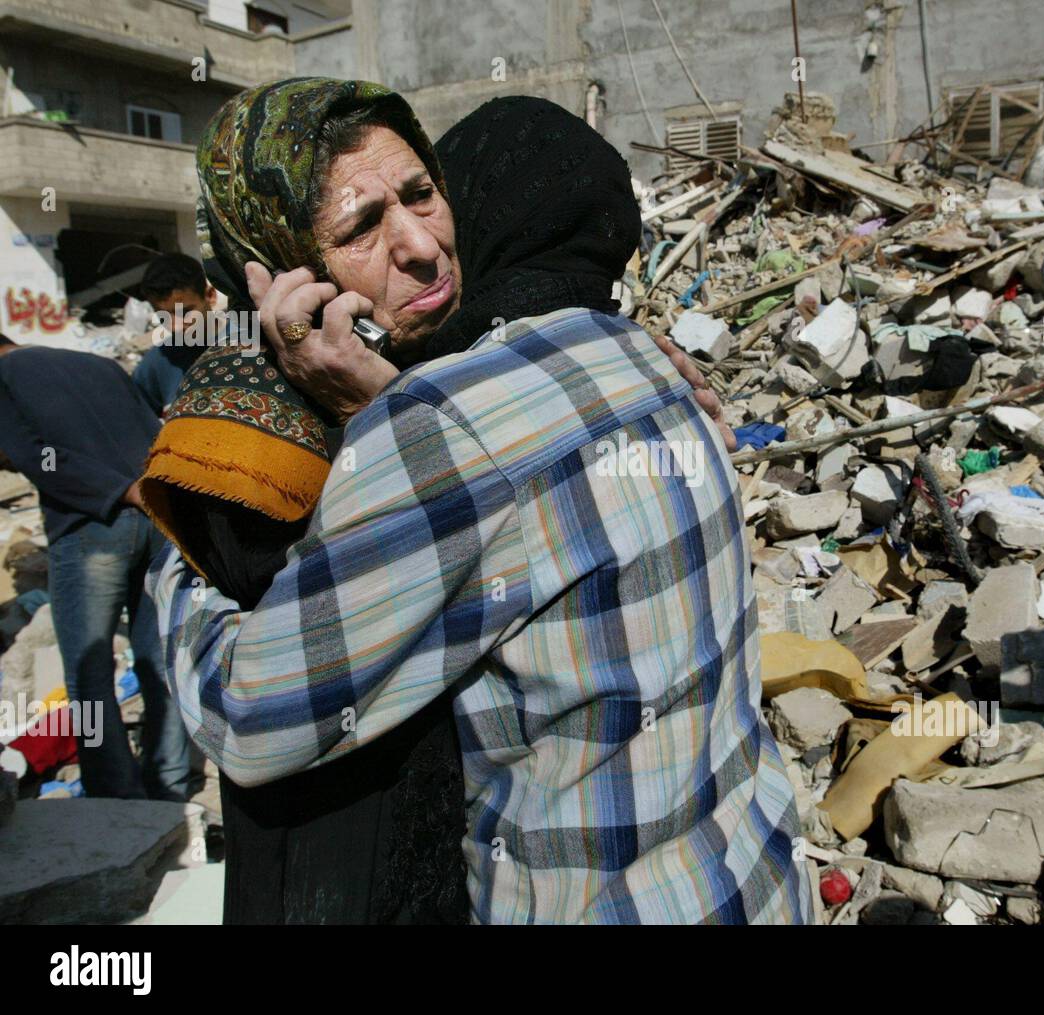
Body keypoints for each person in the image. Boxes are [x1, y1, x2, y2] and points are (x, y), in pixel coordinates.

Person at [145, 78, 811, 924]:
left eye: (421, 194)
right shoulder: (633, 351)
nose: (421, 244)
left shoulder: (437, 421)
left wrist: (178, 548)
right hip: (755, 879)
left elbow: (251, 720)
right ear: (289, 269)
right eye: (361, 228)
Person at [0, 333, 191, 800]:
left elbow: (38, 459)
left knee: (89, 677)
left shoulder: (2, 379)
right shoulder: (96, 363)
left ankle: (116, 797)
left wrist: (121, 491)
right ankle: (171, 784)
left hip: (94, 526)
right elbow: (154, 428)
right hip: (158, 517)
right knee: (158, 657)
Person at [133, 254, 218, 415]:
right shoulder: (156, 364)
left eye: (184, 312)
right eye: (163, 316)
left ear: (210, 296)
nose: (175, 327)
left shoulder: (250, 343)